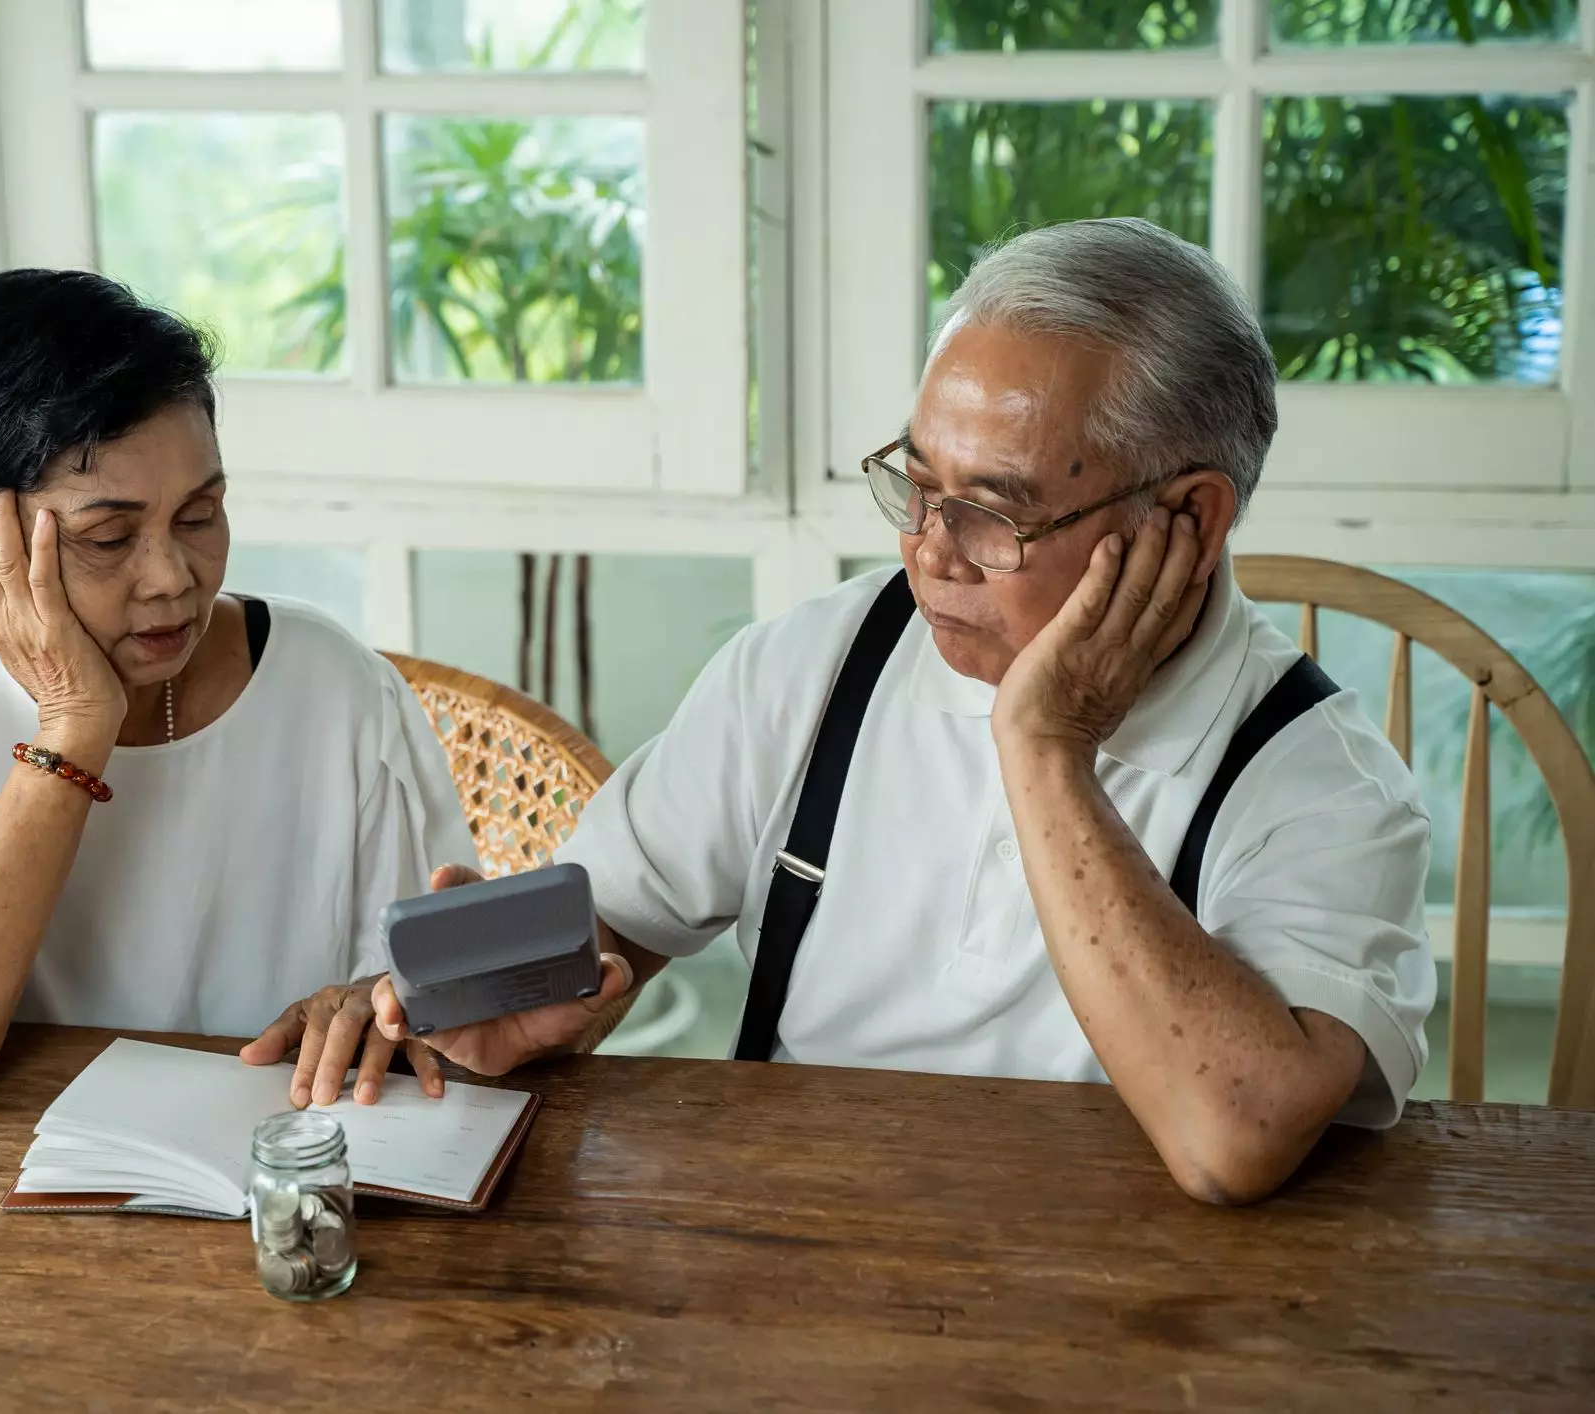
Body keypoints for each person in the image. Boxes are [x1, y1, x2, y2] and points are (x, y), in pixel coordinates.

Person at [291, 218, 1438, 1205]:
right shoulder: (822, 658)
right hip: (792, 1247)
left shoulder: (1323, 784)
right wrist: (524, 1004)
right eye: (917, 483)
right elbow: (615, 923)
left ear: (1187, 520)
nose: (931, 553)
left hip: (1133, 1311)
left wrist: (1044, 746)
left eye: (995, 511)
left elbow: (1229, 1142)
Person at [0, 269, 478, 1112]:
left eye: (199, 514)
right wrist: (74, 726)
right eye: (109, 537)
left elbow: (438, 994)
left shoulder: (334, 689)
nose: (173, 578)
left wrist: (383, 1005)